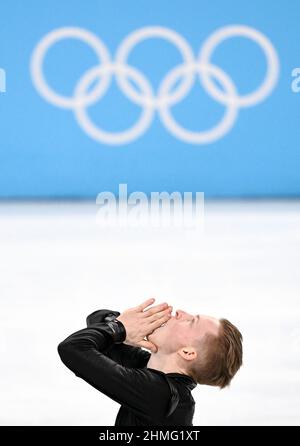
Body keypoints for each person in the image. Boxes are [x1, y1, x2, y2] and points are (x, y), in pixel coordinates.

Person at [57, 298, 243, 426]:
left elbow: (73, 348)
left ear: (187, 352)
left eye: (191, 321)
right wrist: (123, 328)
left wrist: (120, 329)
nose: (181, 312)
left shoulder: (164, 396)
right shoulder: (151, 369)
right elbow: (96, 319)